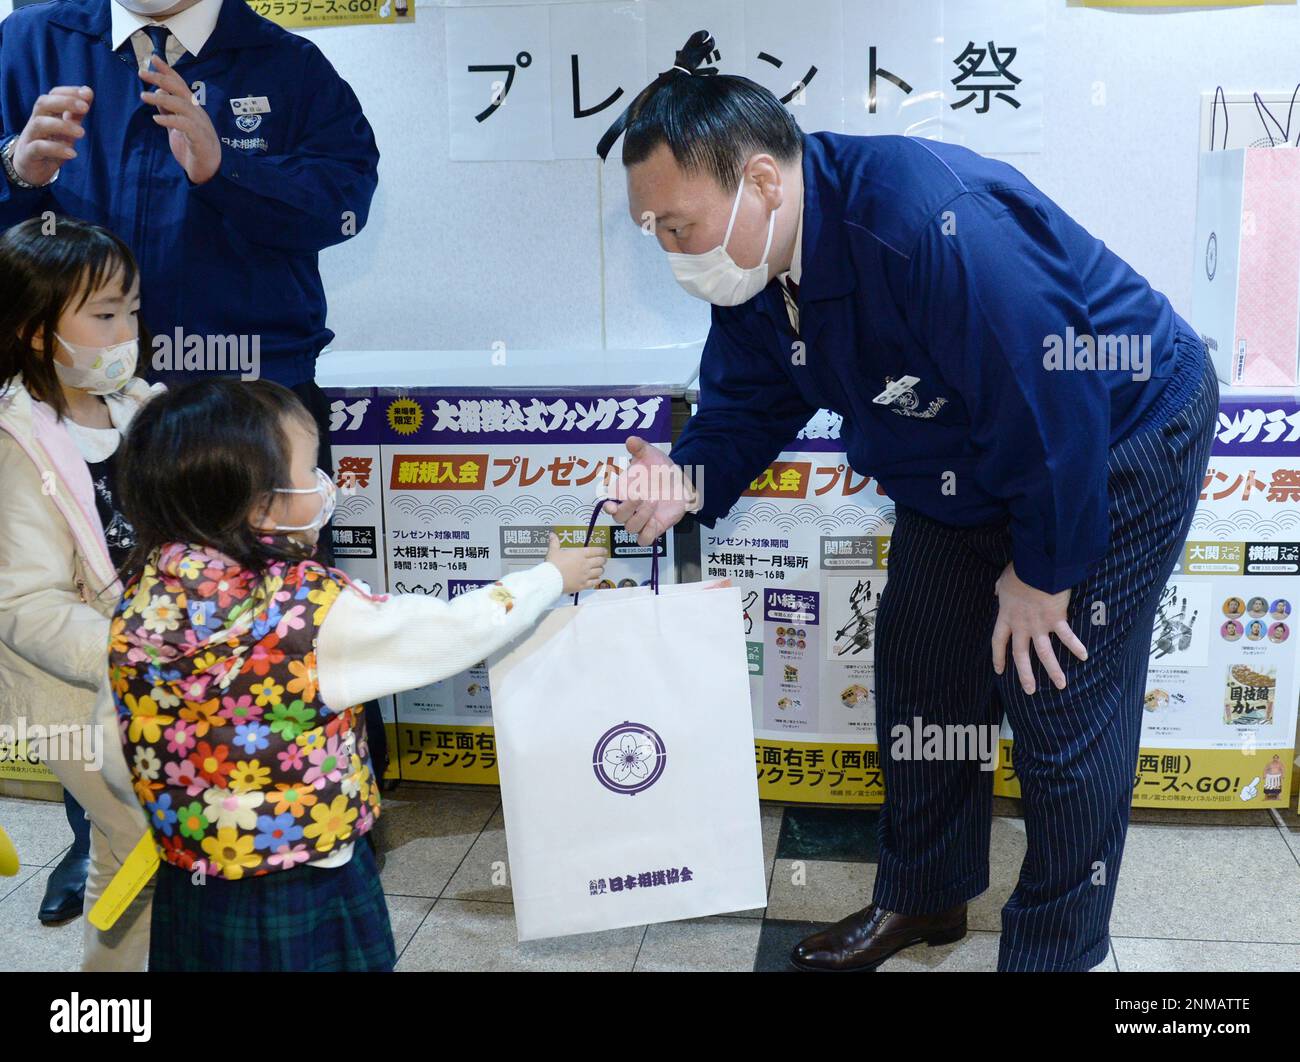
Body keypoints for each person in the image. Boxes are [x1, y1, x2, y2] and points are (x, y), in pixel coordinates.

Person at [596, 32, 1218, 973]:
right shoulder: (755, 267)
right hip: (956, 458)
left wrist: (1043, 577)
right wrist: (683, 480)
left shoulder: (929, 226)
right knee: (924, 674)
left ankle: (1056, 951)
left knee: (1061, 704)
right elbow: (748, 403)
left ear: (762, 179)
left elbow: (1054, 405)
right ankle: (923, 900)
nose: (673, 253)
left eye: (678, 226)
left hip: (1111, 437)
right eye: (653, 233)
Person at [110, 379, 607, 970]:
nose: (325, 484)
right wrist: (550, 576)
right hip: (306, 872)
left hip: (196, 875)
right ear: (260, 502)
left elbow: (123, 742)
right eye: (308, 467)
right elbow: (454, 630)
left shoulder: (142, 595)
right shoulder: (308, 610)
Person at [0, 216, 163, 969]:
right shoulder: (15, 443)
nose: (126, 330)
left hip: (151, 681)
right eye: (104, 315)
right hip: (70, 700)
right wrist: (136, 650)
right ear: (36, 333)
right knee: (136, 847)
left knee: (138, 848)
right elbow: (24, 606)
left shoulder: (136, 409)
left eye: (131, 309)